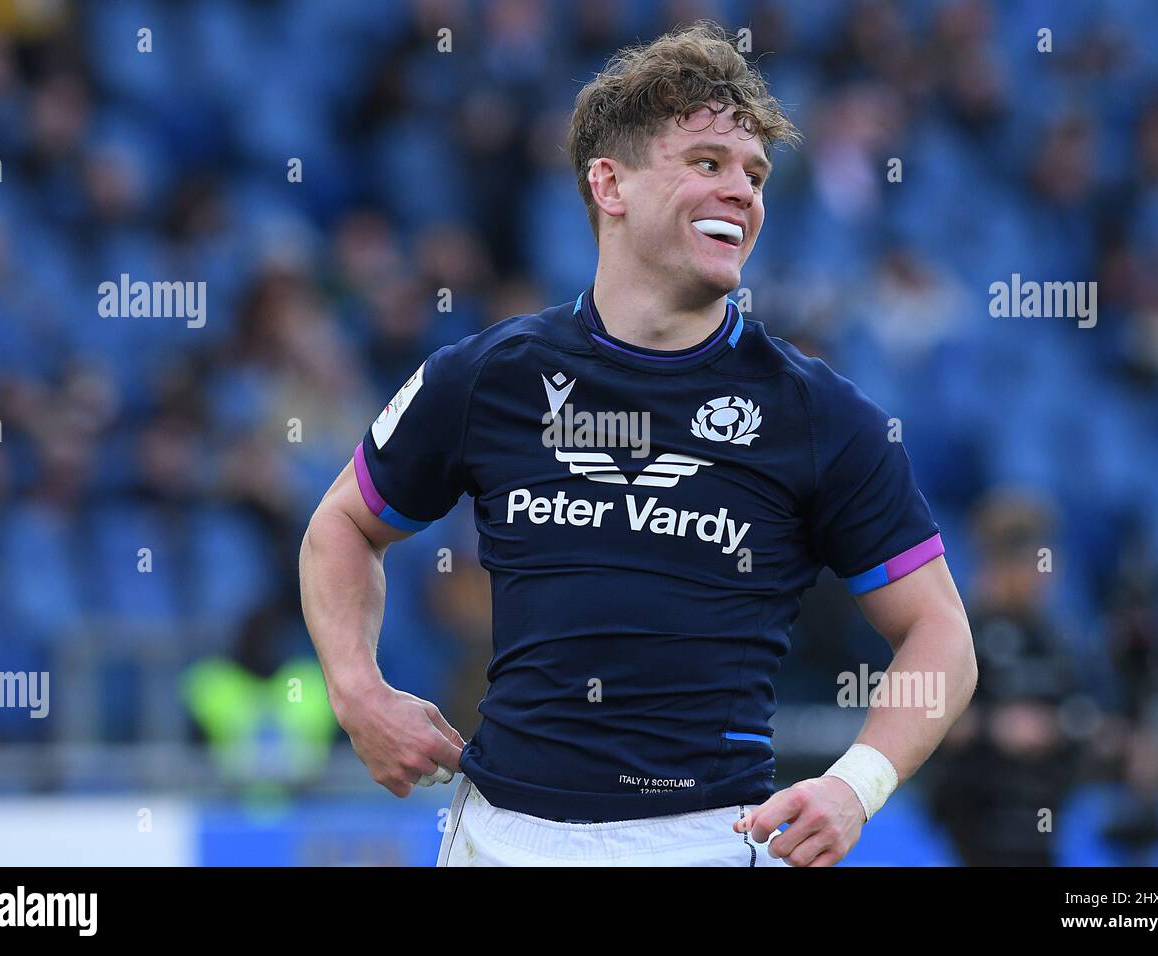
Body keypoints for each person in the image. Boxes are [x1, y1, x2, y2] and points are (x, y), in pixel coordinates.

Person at [299, 21, 976, 867]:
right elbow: (342, 526)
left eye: (756, 174)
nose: (743, 191)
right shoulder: (486, 377)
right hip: (504, 838)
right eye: (708, 164)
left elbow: (941, 632)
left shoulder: (817, 413)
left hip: (711, 840)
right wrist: (357, 691)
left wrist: (857, 784)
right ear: (609, 185)